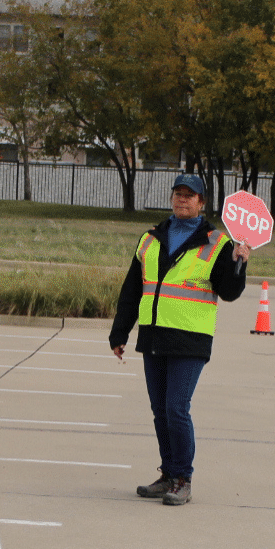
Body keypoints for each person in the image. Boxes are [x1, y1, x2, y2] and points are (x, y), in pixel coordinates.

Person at [108, 174, 249, 506]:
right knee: (160, 410)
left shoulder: (217, 242)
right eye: (178, 194)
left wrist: (240, 262)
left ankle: (183, 478)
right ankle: (168, 474)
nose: (183, 199)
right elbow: (132, 289)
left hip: (190, 337)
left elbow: (229, 292)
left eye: (190, 195)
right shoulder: (150, 239)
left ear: (201, 202)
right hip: (154, 334)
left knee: (176, 408)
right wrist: (119, 332)